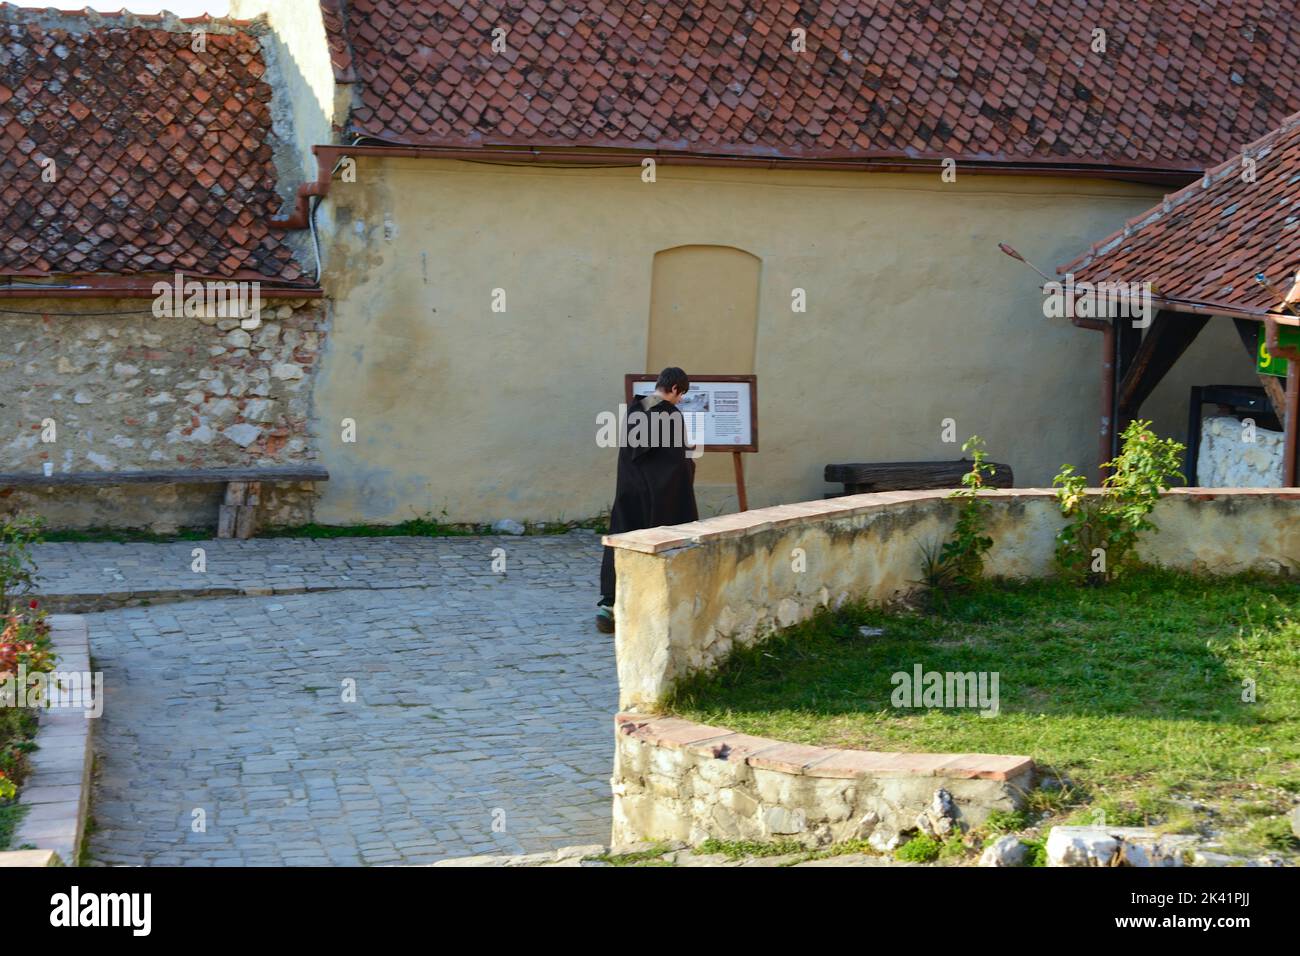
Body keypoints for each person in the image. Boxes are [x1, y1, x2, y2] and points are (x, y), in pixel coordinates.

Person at [597, 367, 699, 633]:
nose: (680, 400)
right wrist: (688, 467)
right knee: (658, 543)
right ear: (674, 389)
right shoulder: (670, 414)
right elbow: (675, 460)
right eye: (681, 395)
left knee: (622, 539)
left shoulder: (637, 407)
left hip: (630, 489)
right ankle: (650, 607)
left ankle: (609, 605)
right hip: (660, 496)